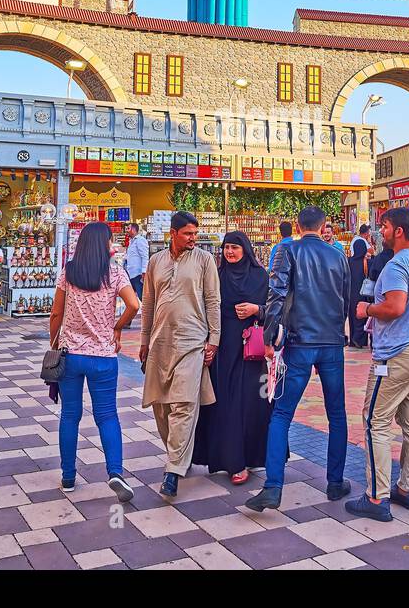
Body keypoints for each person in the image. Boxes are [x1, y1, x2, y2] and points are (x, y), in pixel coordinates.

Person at [246, 206, 351, 512]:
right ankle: (335, 482)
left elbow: (276, 295)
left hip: (300, 341)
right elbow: (344, 299)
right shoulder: (338, 256)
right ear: (323, 226)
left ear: (297, 225)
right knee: (337, 413)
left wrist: (268, 338)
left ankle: (273, 486)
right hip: (331, 342)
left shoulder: (287, 251)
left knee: (281, 414)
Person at [348, 207, 409, 521]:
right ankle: (408, 486)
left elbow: (395, 306)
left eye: (384, 226)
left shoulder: (397, 264)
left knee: (375, 420)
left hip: (396, 355)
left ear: (399, 231)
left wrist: (367, 310)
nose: (381, 231)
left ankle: (376, 496)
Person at [48, 221, 140, 502]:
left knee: (70, 416)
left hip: (72, 356)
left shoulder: (69, 272)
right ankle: (115, 472)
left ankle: (68, 476)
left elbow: (56, 314)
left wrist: (54, 343)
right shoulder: (115, 273)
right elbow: (135, 305)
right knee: (107, 415)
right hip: (103, 357)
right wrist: (117, 327)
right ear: (104, 244)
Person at [140, 211, 221, 500]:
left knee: (184, 404)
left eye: (195, 234)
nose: (193, 239)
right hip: (160, 342)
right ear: (172, 234)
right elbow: (148, 303)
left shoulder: (204, 260)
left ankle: (173, 470)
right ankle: (176, 455)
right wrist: (144, 340)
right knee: (161, 406)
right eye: (187, 234)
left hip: (192, 342)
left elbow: (213, 300)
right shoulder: (155, 262)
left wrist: (214, 339)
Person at [193, 231, 271, 485]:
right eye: (227, 247)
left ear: (245, 249)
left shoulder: (260, 276)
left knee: (249, 403)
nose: (230, 252)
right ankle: (230, 461)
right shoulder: (217, 276)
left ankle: (248, 458)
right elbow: (205, 307)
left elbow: (276, 309)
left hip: (251, 349)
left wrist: (255, 309)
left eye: (235, 247)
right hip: (223, 348)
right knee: (224, 402)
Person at [347, 224, 372, 349]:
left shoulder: (349, 261)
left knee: (352, 316)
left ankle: (353, 339)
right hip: (363, 293)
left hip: (351, 294)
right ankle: (360, 339)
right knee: (362, 315)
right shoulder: (367, 261)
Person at [124, 223, 149, 314]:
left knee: (142, 297)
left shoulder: (140, 240)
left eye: (128, 228)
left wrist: (144, 271)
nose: (127, 230)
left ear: (134, 230)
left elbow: (145, 256)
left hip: (138, 274)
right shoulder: (131, 241)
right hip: (131, 274)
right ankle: (127, 321)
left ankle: (153, 317)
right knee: (130, 299)